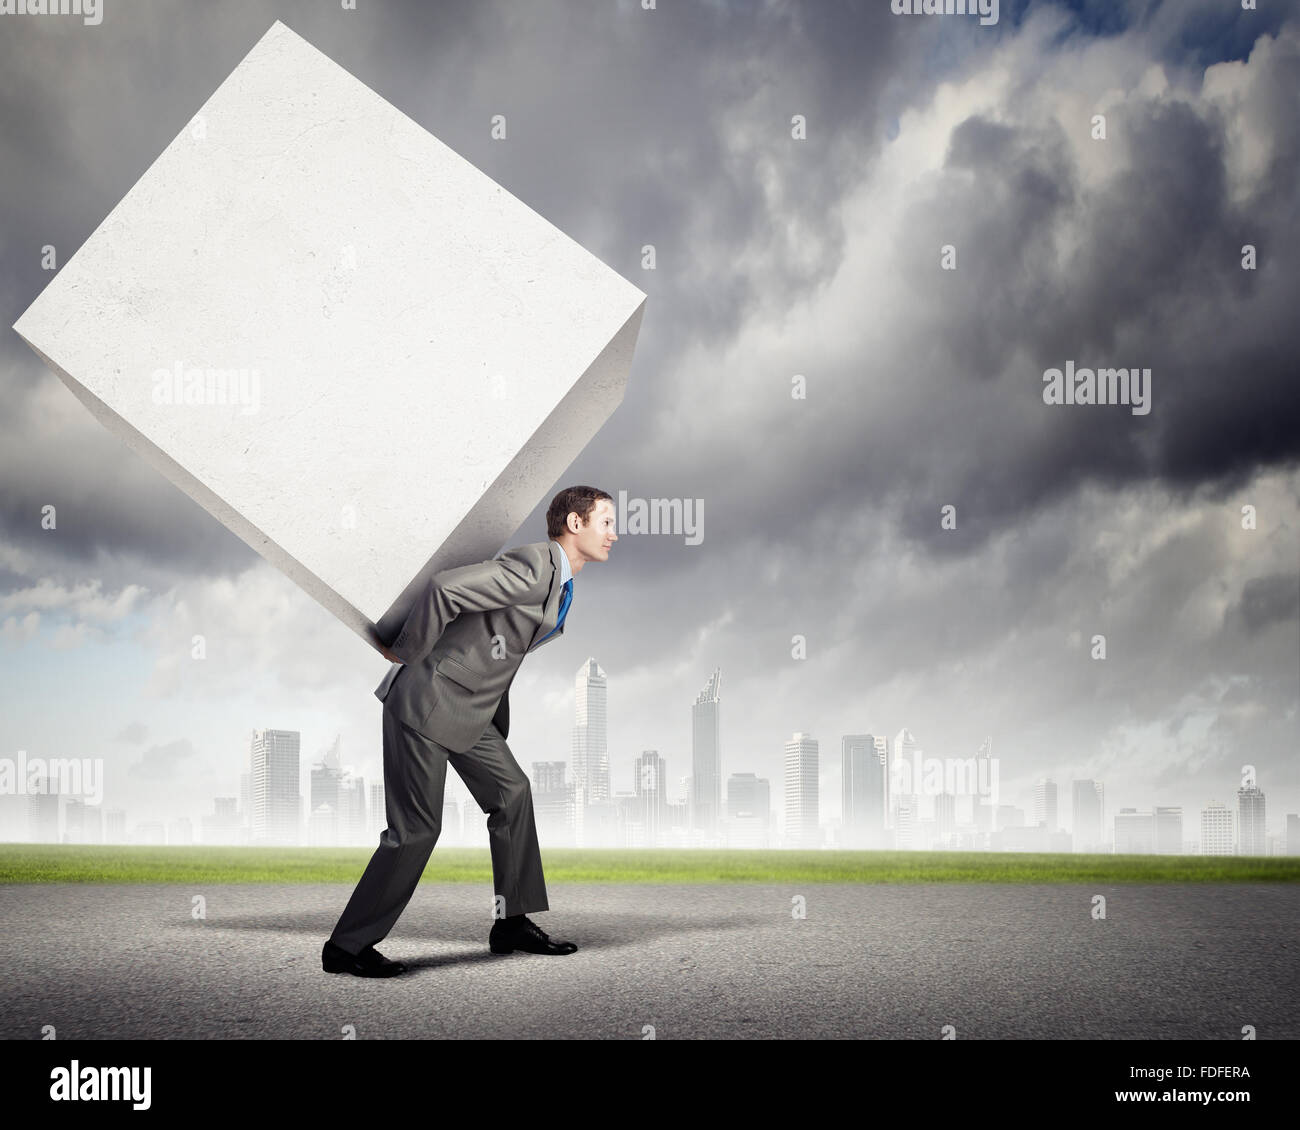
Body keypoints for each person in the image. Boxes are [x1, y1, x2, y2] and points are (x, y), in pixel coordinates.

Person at [322, 485, 618, 977]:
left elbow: (495, 646)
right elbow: (445, 589)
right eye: (606, 522)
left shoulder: (560, 585)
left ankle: (511, 923)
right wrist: (407, 654)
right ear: (574, 524)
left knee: (513, 794)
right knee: (416, 830)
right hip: (425, 704)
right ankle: (346, 948)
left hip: (468, 711)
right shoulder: (533, 568)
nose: (615, 533)